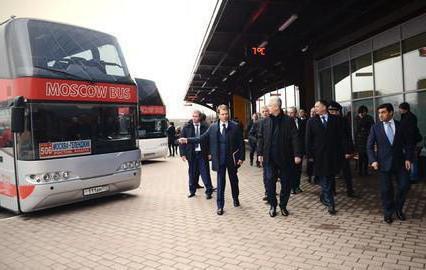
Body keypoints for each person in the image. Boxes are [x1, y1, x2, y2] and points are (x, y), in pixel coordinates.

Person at [179, 104, 245, 215]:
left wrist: (241, 157)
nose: (225, 116)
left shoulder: (235, 126)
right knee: (220, 183)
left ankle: (235, 198)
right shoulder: (213, 127)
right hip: (219, 160)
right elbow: (201, 138)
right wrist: (187, 140)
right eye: (222, 114)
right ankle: (220, 206)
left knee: (234, 181)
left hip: (232, 159)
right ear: (218, 114)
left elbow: (241, 143)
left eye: (226, 114)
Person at [367, 103, 414, 224]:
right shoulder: (375, 128)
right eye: (379, 113)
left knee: (404, 186)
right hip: (383, 164)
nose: (380, 115)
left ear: (391, 113)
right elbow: (369, 147)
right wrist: (373, 160)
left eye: (383, 112)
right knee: (386, 190)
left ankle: (398, 208)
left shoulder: (401, 126)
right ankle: (388, 212)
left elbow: (409, 143)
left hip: (400, 163)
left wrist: (408, 158)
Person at [257, 98, 302, 217]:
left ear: (277, 107)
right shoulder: (265, 121)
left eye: (270, 106)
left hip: (285, 158)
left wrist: (297, 154)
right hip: (269, 158)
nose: (267, 108)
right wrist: (260, 154)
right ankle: (273, 205)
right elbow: (260, 138)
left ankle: (283, 205)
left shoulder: (289, 120)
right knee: (270, 183)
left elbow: (295, 138)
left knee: (286, 183)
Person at [306, 100, 351, 215]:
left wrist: (346, 151)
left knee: (330, 177)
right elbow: (308, 140)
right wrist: (309, 155)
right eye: (314, 106)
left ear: (324, 107)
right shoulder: (311, 121)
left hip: (334, 155)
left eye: (317, 106)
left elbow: (342, 137)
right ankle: (331, 203)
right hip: (319, 156)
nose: (315, 108)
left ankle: (323, 195)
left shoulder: (336, 120)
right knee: (325, 178)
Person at [180, 110, 213, 199]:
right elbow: (181, 141)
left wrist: (210, 153)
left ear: (200, 117)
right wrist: (182, 154)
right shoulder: (186, 127)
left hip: (203, 153)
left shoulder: (205, 127)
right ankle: (192, 191)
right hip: (191, 154)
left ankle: (209, 191)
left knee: (205, 173)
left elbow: (209, 141)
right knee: (192, 173)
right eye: (193, 116)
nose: (194, 118)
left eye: (196, 116)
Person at [328, 101, 357, 198]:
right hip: (331, 151)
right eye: (330, 110)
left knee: (347, 172)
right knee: (331, 172)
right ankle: (332, 190)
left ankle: (350, 191)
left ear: (338, 111)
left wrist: (349, 151)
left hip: (342, 151)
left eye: (333, 111)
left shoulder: (343, 121)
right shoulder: (327, 121)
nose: (332, 112)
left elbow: (347, 136)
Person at [399, 102, 422, 182]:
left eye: (400, 108)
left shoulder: (409, 117)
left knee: (412, 159)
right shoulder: (406, 116)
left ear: (404, 109)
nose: (399, 110)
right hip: (407, 141)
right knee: (410, 158)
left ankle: (414, 177)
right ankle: (411, 176)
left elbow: (410, 131)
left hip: (409, 141)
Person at [287, 106, 306, 194]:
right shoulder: (285, 123)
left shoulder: (301, 122)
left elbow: (304, 136)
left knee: (298, 169)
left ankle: (297, 186)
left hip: (299, 150)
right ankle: (291, 187)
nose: (290, 114)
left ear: (296, 113)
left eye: (292, 112)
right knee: (291, 169)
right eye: (289, 113)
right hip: (289, 150)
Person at [355, 105, 375, 176]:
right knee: (360, 156)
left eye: (364, 112)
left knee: (366, 156)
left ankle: (365, 170)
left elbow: (372, 127)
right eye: (361, 112)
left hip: (367, 139)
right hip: (360, 140)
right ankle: (360, 171)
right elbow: (357, 129)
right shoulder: (357, 118)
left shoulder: (369, 118)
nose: (363, 114)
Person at [258, 105, 270, 201]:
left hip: (275, 152)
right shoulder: (259, 123)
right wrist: (259, 153)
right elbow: (252, 135)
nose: (265, 113)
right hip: (265, 153)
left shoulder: (273, 121)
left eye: (267, 111)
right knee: (266, 174)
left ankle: (271, 190)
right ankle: (268, 192)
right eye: (263, 111)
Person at [306, 107, 317, 184]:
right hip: (310, 148)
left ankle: (316, 177)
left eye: (314, 111)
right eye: (311, 111)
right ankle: (310, 177)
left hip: (317, 148)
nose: (312, 113)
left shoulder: (318, 121)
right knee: (310, 164)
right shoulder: (308, 121)